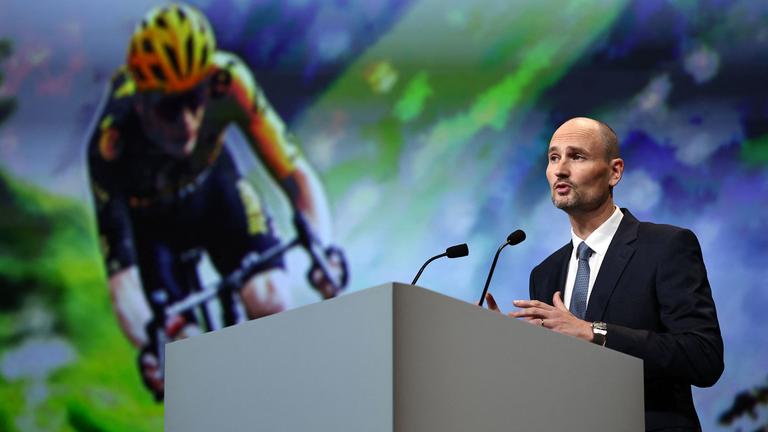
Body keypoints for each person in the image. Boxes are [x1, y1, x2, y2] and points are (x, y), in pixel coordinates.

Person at [87, 3, 347, 396]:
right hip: (153, 230)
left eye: (195, 98)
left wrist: (323, 249)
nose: (188, 122)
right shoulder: (113, 141)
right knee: (189, 355)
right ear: (141, 102)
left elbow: (295, 175)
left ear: (209, 82)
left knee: (272, 299)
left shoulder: (229, 80)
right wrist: (153, 347)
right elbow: (122, 284)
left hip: (214, 193)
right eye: (170, 108)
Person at [485, 117, 723, 430]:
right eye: (554, 157)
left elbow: (702, 358)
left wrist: (595, 333)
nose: (561, 169)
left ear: (615, 172)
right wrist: (506, 350)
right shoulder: (545, 273)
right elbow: (557, 384)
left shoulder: (666, 246)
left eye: (577, 156)